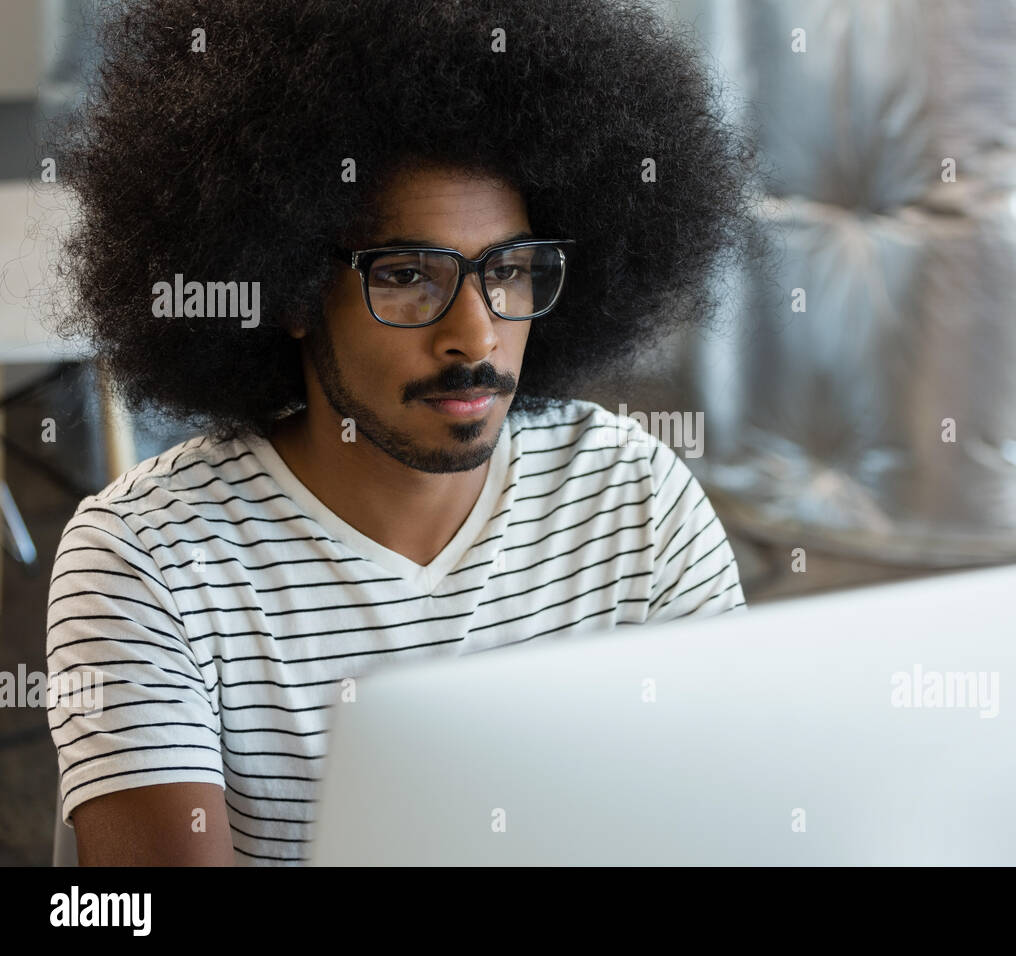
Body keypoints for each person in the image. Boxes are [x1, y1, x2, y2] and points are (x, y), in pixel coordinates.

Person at [45, 0, 769, 865]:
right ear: (289, 292)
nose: (475, 334)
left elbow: (726, 822)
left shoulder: (636, 501)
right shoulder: (147, 562)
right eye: (406, 276)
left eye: (509, 270)